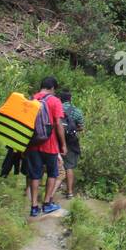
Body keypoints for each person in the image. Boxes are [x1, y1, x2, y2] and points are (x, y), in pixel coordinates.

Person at [25, 76, 67, 218]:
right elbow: (58, 124)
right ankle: (47, 203)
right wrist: (63, 144)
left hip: (33, 145)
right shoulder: (55, 101)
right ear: (53, 88)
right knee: (52, 173)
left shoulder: (32, 99)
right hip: (50, 145)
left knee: (35, 175)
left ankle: (34, 207)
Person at [58, 89, 84, 199]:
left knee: (55, 164)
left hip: (56, 140)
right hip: (71, 141)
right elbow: (81, 127)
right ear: (70, 99)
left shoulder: (57, 109)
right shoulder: (77, 111)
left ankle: (55, 187)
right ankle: (69, 193)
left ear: (60, 99)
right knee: (69, 167)